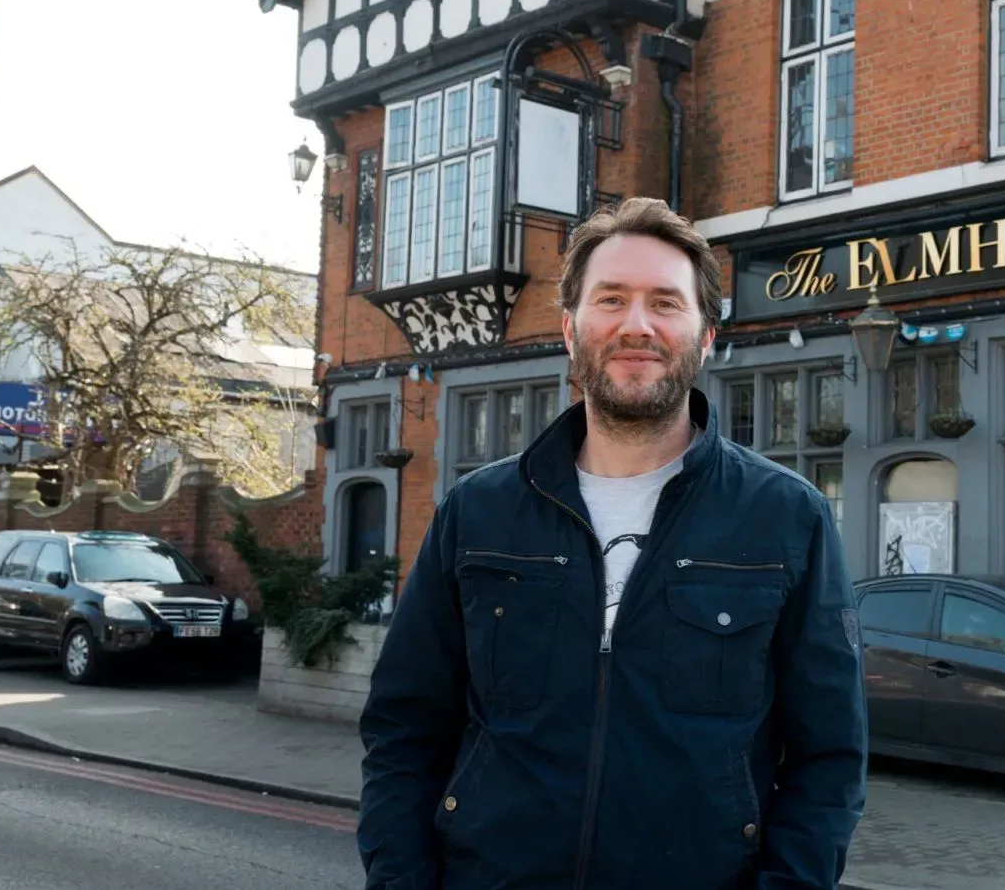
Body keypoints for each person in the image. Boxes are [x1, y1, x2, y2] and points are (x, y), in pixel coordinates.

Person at [356, 197, 867, 889]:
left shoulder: (786, 517)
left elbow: (830, 758)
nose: (636, 326)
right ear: (570, 329)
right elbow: (404, 730)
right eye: (611, 299)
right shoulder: (477, 512)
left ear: (706, 334)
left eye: (665, 302)